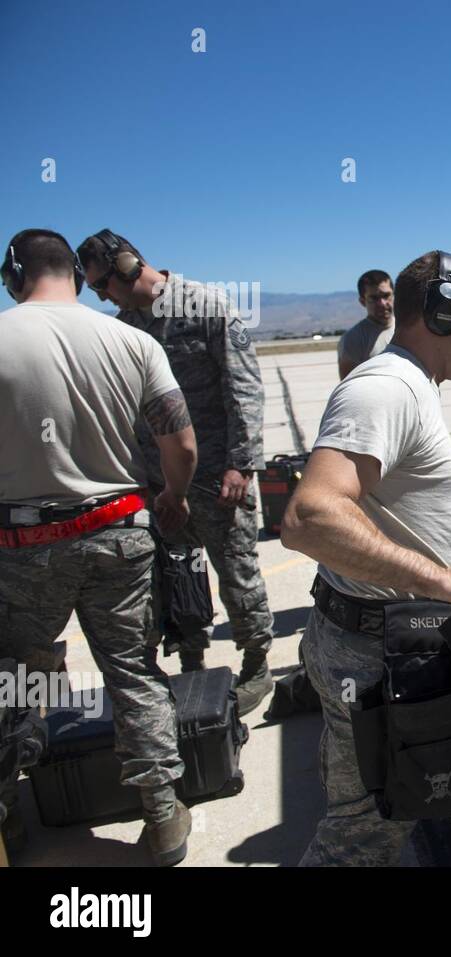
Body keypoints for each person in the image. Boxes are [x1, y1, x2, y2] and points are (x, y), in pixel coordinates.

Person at [280, 249, 451, 866]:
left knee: (370, 818)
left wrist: (445, 503)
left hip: (376, 639)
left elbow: (376, 496)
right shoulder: (386, 387)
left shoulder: (410, 381)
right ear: (442, 314)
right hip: (387, 649)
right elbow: (309, 515)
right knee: (365, 833)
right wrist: (443, 575)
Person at [0, 229, 197, 865]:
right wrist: (172, 494)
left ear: (13, 275)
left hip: (25, 542)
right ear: (78, 277)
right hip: (121, 532)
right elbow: (182, 443)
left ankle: (6, 816)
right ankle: (163, 818)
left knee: (18, 678)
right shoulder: (133, 341)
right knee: (134, 673)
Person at [76, 230, 275, 715]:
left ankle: (256, 662)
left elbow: (243, 388)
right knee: (178, 574)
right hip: (162, 485)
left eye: (103, 284)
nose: (101, 295)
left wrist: (240, 464)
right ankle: (192, 658)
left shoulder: (208, 306)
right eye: (93, 290)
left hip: (218, 476)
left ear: (127, 265)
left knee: (237, 572)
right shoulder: (124, 328)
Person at [338, 269, 395, 379]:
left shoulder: (408, 330)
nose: (382, 304)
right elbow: (348, 386)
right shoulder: (353, 339)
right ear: (362, 301)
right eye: (374, 298)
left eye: (386, 295)